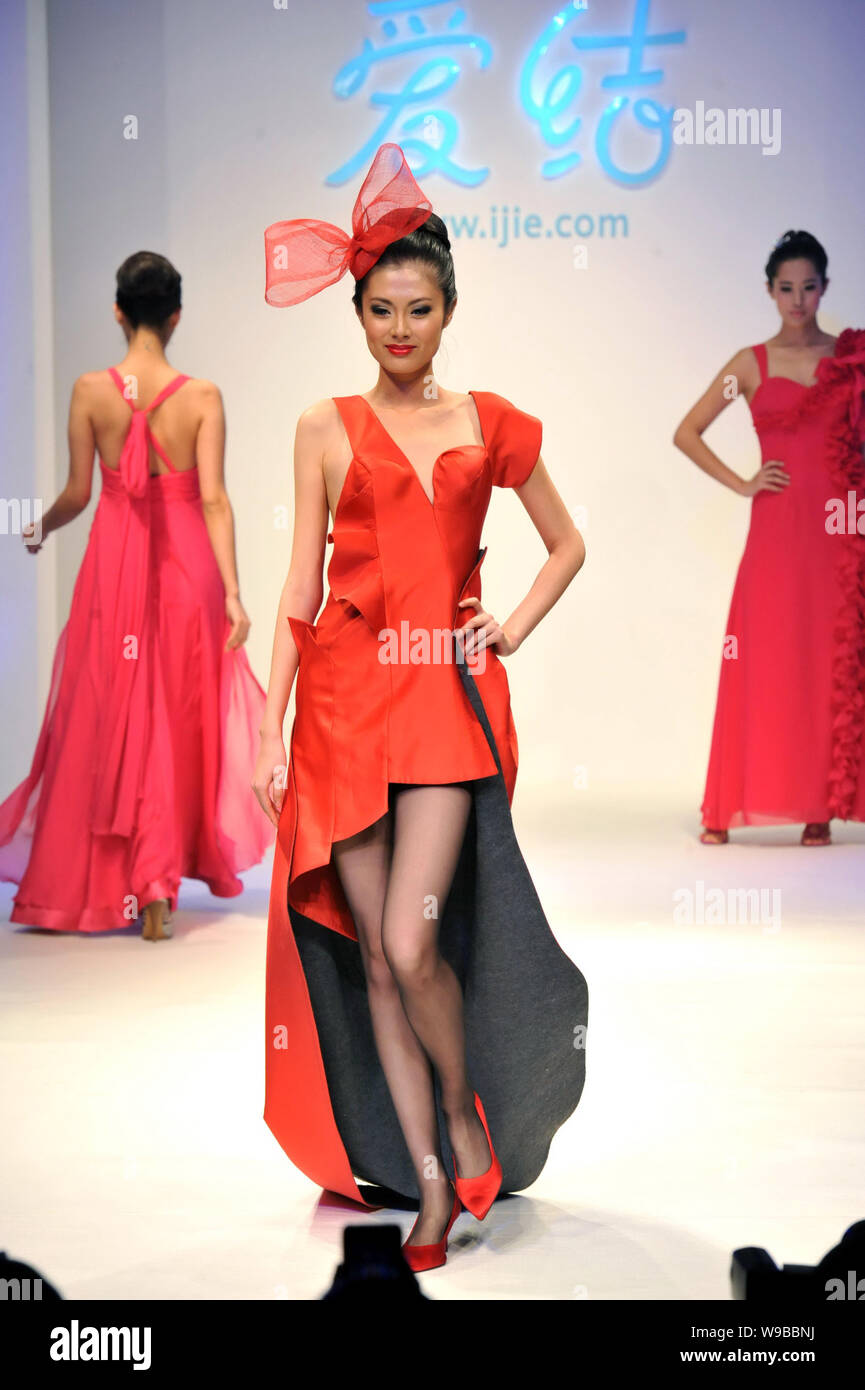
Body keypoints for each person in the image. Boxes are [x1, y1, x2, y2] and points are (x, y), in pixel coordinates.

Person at [252, 143, 588, 1273]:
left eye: (420, 309)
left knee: (412, 934)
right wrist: (267, 725)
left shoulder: (488, 421)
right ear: (357, 312)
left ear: (448, 313)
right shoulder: (321, 424)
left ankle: (459, 1109)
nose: (400, 330)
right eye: (381, 310)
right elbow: (299, 587)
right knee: (380, 960)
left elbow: (567, 543)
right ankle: (433, 1186)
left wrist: (512, 624)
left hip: (439, 708)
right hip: (343, 711)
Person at [0, 251, 272, 939]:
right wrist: (234, 592)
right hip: (188, 567)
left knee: (115, 710)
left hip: (113, 565)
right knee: (174, 714)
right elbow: (213, 499)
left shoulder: (92, 390)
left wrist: (38, 526)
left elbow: (78, 494)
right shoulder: (202, 396)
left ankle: (133, 883)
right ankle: (157, 888)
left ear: (118, 311)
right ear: (175, 316)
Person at [673, 230, 865, 845]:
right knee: (763, 654)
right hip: (778, 531)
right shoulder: (749, 365)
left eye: (809, 287)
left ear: (825, 289)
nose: (798, 299)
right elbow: (689, 431)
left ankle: (817, 806)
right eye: (787, 288)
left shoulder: (851, 360)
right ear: (769, 291)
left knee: (825, 659)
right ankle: (724, 809)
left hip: (840, 531)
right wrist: (743, 482)